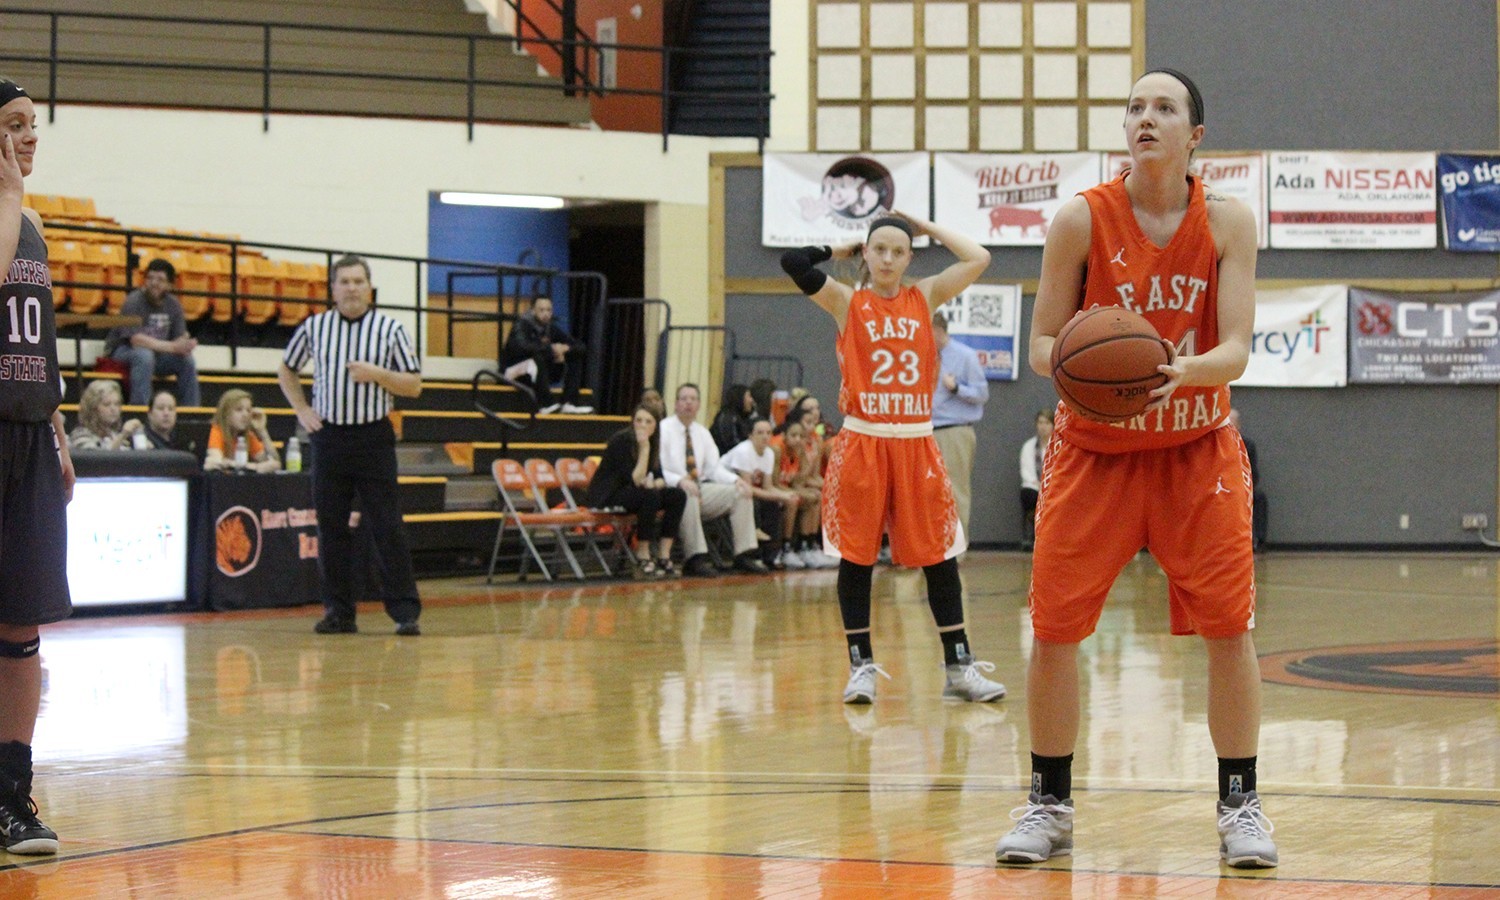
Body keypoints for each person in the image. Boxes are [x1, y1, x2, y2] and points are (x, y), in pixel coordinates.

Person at [995, 69, 1276, 869]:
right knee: (1054, 631)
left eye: (1165, 109)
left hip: (1197, 453)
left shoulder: (1227, 222)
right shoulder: (1080, 220)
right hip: (1094, 456)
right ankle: (1049, 801)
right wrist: (1097, 361)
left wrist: (1182, 372)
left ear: (1196, 136)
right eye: (1135, 108)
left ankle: (1240, 804)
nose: (1145, 118)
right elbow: (1045, 345)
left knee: (1229, 629)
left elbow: (1237, 350)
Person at [778, 210, 1006, 707]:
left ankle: (959, 666)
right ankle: (860, 666)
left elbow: (979, 257)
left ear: (908, 258)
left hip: (917, 442)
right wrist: (839, 251)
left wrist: (927, 228)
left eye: (898, 251)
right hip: (865, 441)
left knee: (938, 555)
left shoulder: (924, 297)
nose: (887, 258)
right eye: (878, 249)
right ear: (867, 253)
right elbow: (793, 261)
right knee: (857, 558)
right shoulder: (845, 301)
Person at [0, 75, 74, 855]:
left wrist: (55, 424)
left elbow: (37, 336)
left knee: (22, 626)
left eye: (33, 125)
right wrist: (9, 191)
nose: (30, 137)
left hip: (26, 431)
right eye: (14, 124)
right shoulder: (9, 210)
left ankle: (12, 797)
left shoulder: (35, 222)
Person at [278, 254, 423, 637]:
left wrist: (378, 374)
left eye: (359, 281)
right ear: (333, 288)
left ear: (369, 287)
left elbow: (414, 384)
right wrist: (302, 410)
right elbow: (286, 369)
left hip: (373, 436)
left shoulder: (390, 329)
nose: (353, 288)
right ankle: (340, 612)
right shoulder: (316, 327)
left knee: (387, 525)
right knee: (331, 528)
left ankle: (405, 612)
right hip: (329, 438)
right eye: (345, 281)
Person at [658, 382, 768, 578]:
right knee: (687, 494)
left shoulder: (702, 433)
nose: (688, 403)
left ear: (699, 405)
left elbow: (714, 468)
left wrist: (736, 480)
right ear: (675, 404)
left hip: (700, 486)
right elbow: (659, 467)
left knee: (740, 493)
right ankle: (696, 557)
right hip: (672, 489)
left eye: (693, 399)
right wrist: (680, 480)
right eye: (684, 399)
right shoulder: (663, 429)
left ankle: (745, 553)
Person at [585, 404, 687, 577]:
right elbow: (636, 479)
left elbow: (659, 476)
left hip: (633, 493)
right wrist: (644, 448)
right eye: (638, 420)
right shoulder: (621, 440)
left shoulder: (654, 442)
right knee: (650, 497)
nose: (642, 425)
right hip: (609, 494)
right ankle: (643, 554)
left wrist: (656, 483)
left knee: (677, 495)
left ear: (655, 425)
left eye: (648, 421)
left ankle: (664, 554)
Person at [103, 258, 202, 407]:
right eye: (150, 278)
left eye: (160, 279)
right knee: (144, 355)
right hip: (123, 351)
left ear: (170, 284)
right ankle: (140, 409)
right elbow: (136, 340)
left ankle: (191, 413)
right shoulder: (134, 300)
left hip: (157, 355)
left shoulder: (173, 304)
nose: (154, 283)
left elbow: (179, 336)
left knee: (187, 360)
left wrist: (185, 343)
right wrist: (173, 347)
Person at [931, 312, 990, 539]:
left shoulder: (964, 356)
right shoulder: (922, 355)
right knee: (925, 492)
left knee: (955, 490)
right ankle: (930, 549)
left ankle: (956, 550)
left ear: (938, 329)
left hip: (954, 430)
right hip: (925, 429)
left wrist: (957, 388)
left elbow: (982, 393)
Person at [721, 417, 800, 568]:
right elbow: (748, 487)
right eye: (760, 433)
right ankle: (751, 554)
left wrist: (785, 495)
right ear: (750, 436)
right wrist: (780, 495)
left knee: (773, 505)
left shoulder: (769, 453)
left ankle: (771, 555)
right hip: (728, 489)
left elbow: (767, 486)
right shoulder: (743, 451)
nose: (765, 436)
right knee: (756, 503)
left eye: (768, 433)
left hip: (747, 491)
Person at [500, 296, 591, 415]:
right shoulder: (521, 325)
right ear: (533, 311)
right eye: (541, 310)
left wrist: (565, 348)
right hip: (514, 371)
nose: (546, 314)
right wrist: (552, 349)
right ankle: (545, 404)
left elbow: (581, 347)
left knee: (574, 357)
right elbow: (524, 347)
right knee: (536, 358)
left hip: (539, 372)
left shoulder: (551, 329)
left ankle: (569, 403)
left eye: (549, 310)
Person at [772, 418, 838, 569]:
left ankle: (808, 545)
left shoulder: (798, 451)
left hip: (786, 488)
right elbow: (775, 483)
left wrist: (809, 457)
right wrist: (796, 492)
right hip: (773, 490)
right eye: (794, 436)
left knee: (816, 496)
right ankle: (786, 548)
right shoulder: (777, 449)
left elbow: (799, 481)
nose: (798, 440)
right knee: (795, 498)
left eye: (801, 437)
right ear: (784, 436)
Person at [202, 388, 281, 473]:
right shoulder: (216, 431)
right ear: (226, 413)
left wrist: (262, 431)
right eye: (239, 410)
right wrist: (255, 467)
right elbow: (216, 462)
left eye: (248, 410)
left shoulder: (247, 436)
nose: (245, 414)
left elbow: (275, 463)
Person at [1227, 408, 1268, 550]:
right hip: (1219, 486)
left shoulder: (1248, 445)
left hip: (1241, 486)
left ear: (1238, 426)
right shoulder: (1214, 443)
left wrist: (1242, 487)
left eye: (1232, 423)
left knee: (1259, 497)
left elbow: (1253, 474)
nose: (1229, 427)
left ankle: (1259, 542)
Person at [68, 378, 142, 451]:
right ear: (93, 408)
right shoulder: (80, 435)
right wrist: (122, 436)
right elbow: (98, 460)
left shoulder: (114, 435)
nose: (113, 409)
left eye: (117, 404)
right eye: (107, 404)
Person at [1017, 408, 1054, 551]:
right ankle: (1036, 534)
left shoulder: (1059, 446)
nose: (1043, 427)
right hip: (1034, 487)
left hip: (1053, 487)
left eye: (1046, 423)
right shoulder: (1029, 446)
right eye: (1040, 423)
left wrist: (1048, 485)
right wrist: (1038, 484)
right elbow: (1025, 471)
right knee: (1030, 495)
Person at [139, 389, 197, 455]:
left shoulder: (184, 439)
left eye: (171, 409)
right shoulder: (141, 439)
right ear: (150, 414)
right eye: (160, 408)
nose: (166, 413)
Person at [709, 383, 754, 454]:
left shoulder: (743, 418)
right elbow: (733, 445)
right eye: (749, 396)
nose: (751, 400)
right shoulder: (727, 418)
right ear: (739, 398)